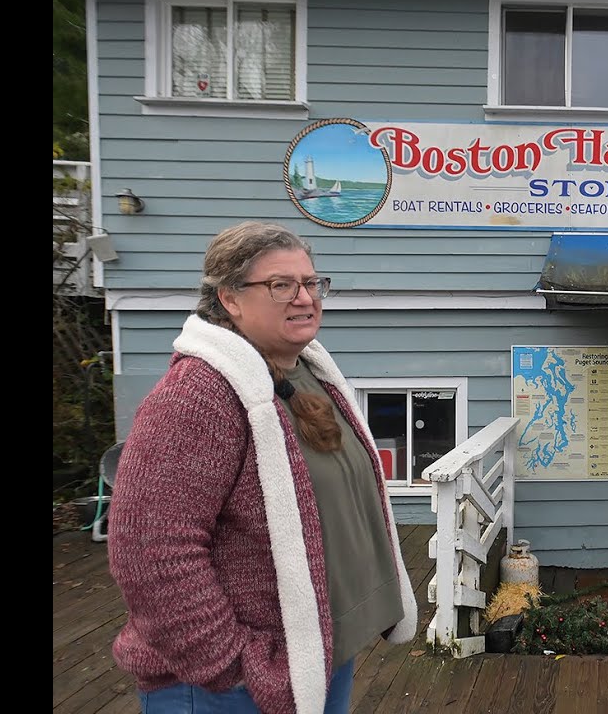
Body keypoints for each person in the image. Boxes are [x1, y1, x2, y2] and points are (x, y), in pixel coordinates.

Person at [107, 221, 420, 713]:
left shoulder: (306, 372)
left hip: (317, 656)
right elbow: (150, 549)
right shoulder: (198, 396)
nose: (305, 297)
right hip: (233, 687)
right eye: (281, 285)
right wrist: (236, 666)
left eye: (311, 282)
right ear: (230, 298)